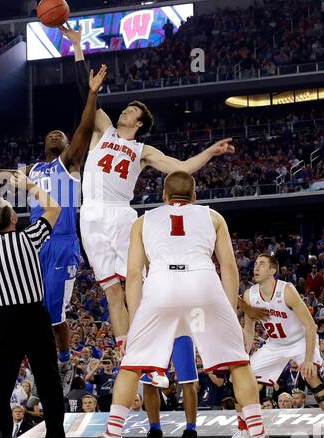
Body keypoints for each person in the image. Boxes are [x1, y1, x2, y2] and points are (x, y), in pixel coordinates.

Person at [90, 171, 285, 438]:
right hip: (202, 283)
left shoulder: (142, 221)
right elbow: (229, 268)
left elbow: (132, 275)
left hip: (160, 285)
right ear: (194, 197)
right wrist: (231, 311)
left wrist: (139, 317)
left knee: (132, 364)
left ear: (164, 198)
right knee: (238, 363)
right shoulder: (213, 216)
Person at [0, 25, 104, 390]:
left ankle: (65, 361)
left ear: (69, 145)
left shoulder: (69, 163)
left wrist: (92, 95)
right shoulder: (31, 171)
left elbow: (85, 126)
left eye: (61, 134)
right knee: (33, 309)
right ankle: (41, 364)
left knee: (54, 313)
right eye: (50, 134)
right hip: (35, 243)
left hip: (64, 240)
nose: (56, 133)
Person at [78, 82, 234, 362]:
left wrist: (210, 153)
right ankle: (129, 351)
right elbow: (88, 98)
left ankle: (156, 344)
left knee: (141, 283)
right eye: (126, 108)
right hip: (89, 214)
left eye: (132, 111)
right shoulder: (104, 129)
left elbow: (182, 168)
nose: (125, 111)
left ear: (138, 123)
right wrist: (77, 49)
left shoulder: (143, 151)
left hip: (119, 213)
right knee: (111, 291)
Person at [0, 172, 71, 438]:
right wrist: (29, 185)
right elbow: (54, 208)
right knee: (48, 377)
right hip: (33, 315)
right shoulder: (29, 236)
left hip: (4, 317)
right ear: (12, 219)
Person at [238, 252, 324, 438]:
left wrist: (308, 360)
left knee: (311, 376)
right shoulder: (249, 295)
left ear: (273, 270)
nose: (256, 268)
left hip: (300, 341)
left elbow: (311, 326)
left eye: (262, 264)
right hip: (274, 345)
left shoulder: (286, 290)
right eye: (255, 264)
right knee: (245, 381)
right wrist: (243, 356)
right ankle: (243, 431)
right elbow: (249, 332)